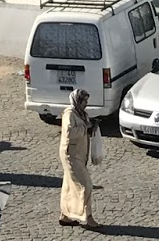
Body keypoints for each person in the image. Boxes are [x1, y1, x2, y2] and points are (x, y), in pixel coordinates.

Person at [58, 87, 101, 231]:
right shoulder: (69, 114)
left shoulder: (82, 114)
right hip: (71, 155)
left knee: (69, 185)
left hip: (79, 155)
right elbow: (70, 133)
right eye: (84, 101)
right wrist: (86, 127)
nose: (86, 104)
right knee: (86, 184)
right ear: (77, 101)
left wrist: (91, 125)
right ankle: (87, 217)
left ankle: (65, 214)